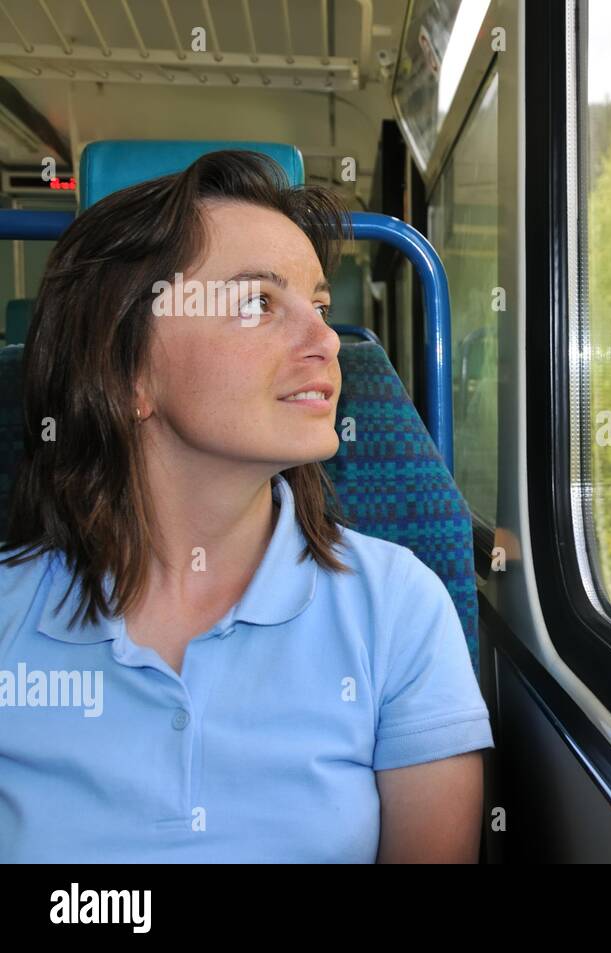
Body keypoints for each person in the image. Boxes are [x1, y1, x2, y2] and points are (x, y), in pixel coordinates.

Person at [0, 150, 492, 863]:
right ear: (126, 369)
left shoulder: (397, 609)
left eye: (319, 307)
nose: (326, 341)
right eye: (258, 303)